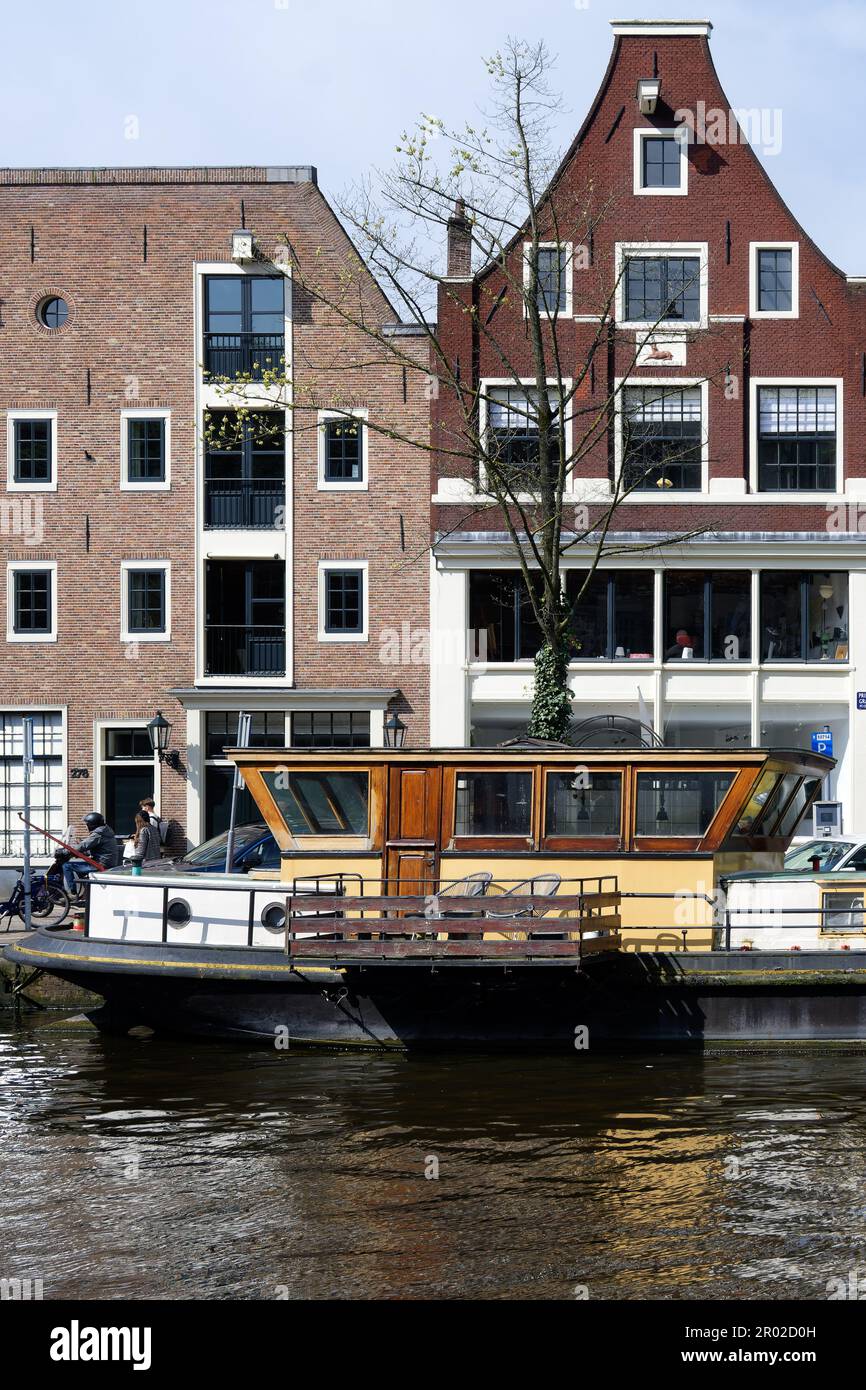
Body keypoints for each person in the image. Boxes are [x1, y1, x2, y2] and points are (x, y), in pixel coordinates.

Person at [62, 812, 120, 896]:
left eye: (87, 824)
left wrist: (66, 851)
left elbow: (84, 845)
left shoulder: (98, 834)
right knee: (76, 867)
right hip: (104, 862)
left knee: (66, 866)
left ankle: (72, 892)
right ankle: (83, 894)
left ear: (92, 825)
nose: (86, 827)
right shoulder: (104, 831)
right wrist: (81, 851)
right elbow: (96, 848)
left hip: (100, 864)